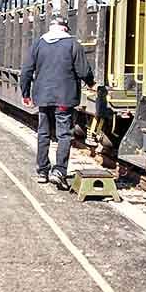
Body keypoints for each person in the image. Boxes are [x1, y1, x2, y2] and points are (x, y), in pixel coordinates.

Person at [20, 16, 94, 190]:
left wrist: (25, 93)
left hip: (43, 97)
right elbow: (83, 70)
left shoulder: (39, 43)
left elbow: (26, 71)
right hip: (64, 97)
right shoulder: (72, 44)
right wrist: (91, 84)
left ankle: (42, 171)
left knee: (43, 133)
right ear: (65, 29)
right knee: (64, 135)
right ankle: (59, 171)